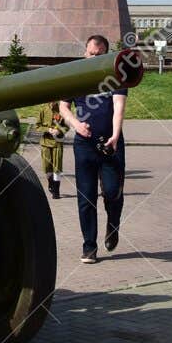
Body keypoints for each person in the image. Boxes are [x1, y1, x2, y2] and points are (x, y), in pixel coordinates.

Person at [59, 34, 126, 265]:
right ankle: (89, 247)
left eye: (99, 54)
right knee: (86, 197)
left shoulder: (115, 75)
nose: (94, 57)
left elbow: (118, 107)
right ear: (85, 52)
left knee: (112, 191)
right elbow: (63, 106)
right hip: (84, 145)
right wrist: (76, 124)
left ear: (106, 54)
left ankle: (113, 224)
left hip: (111, 143)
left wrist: (116, 135)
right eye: (91, 53)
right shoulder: (76, 76)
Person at [35, 99, 67, 198]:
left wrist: (59, 130)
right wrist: (48, 129)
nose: (53, 102)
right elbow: (37, 126)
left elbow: (66, 126)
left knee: (57, 167)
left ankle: (56, 190)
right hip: (45, 143)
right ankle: (51, 184)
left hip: (57, 143)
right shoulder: (43, 110)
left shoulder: (62, 110)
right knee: (47, 166)